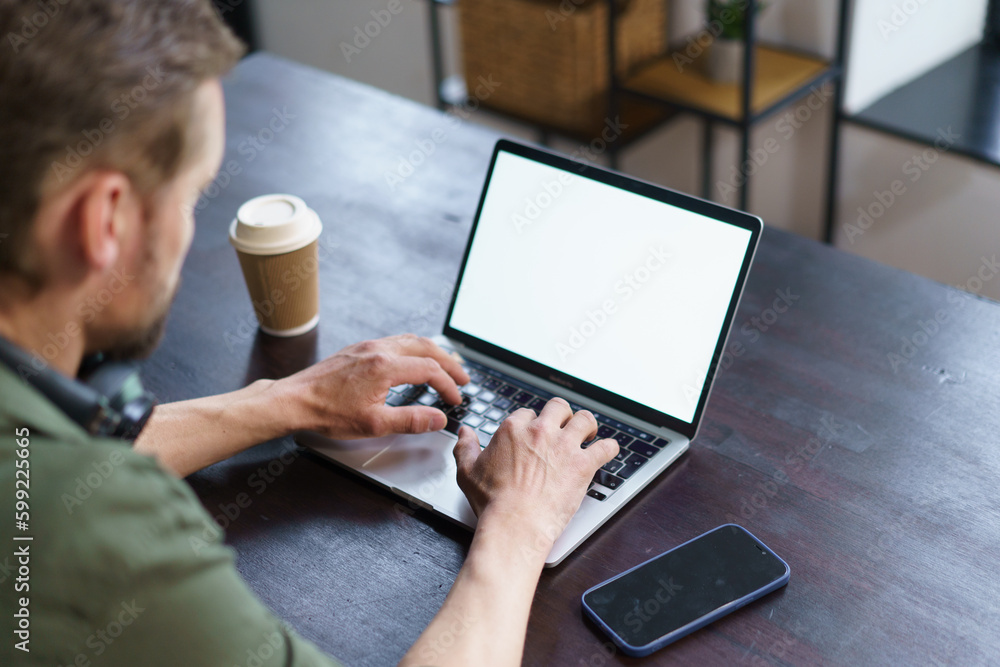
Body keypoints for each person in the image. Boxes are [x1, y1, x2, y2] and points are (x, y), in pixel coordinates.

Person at [0, 1, 619, 665]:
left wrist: (289, 398)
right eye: (190, 197)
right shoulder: (92, 532)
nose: (188, 227)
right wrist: (522, 520)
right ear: (104, 220)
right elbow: (70, 496)